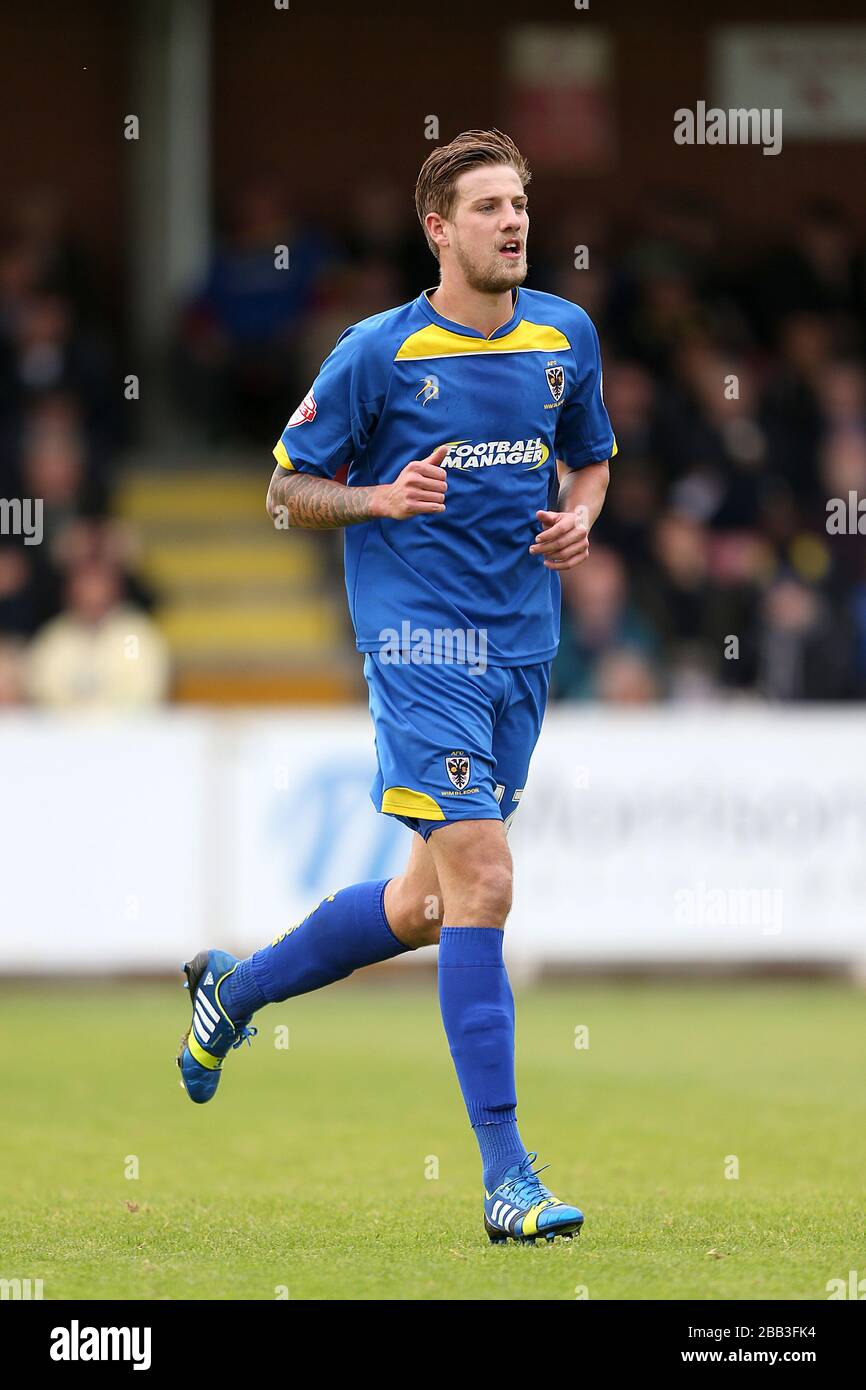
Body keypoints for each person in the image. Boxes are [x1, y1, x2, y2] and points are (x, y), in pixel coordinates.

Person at [176, 130, 615, 1245]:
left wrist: (582, 516)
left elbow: (593, 454)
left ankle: (232, 993)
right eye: (487, 207)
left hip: (523, 650)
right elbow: (285, 488)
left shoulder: (565, 335)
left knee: (423, 904)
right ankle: (506, 1176)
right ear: (438, 228)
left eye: (518, 203)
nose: (512, 222)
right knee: (486, 876)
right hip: (420, 650)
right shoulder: (378, 351)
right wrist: (378, 500)